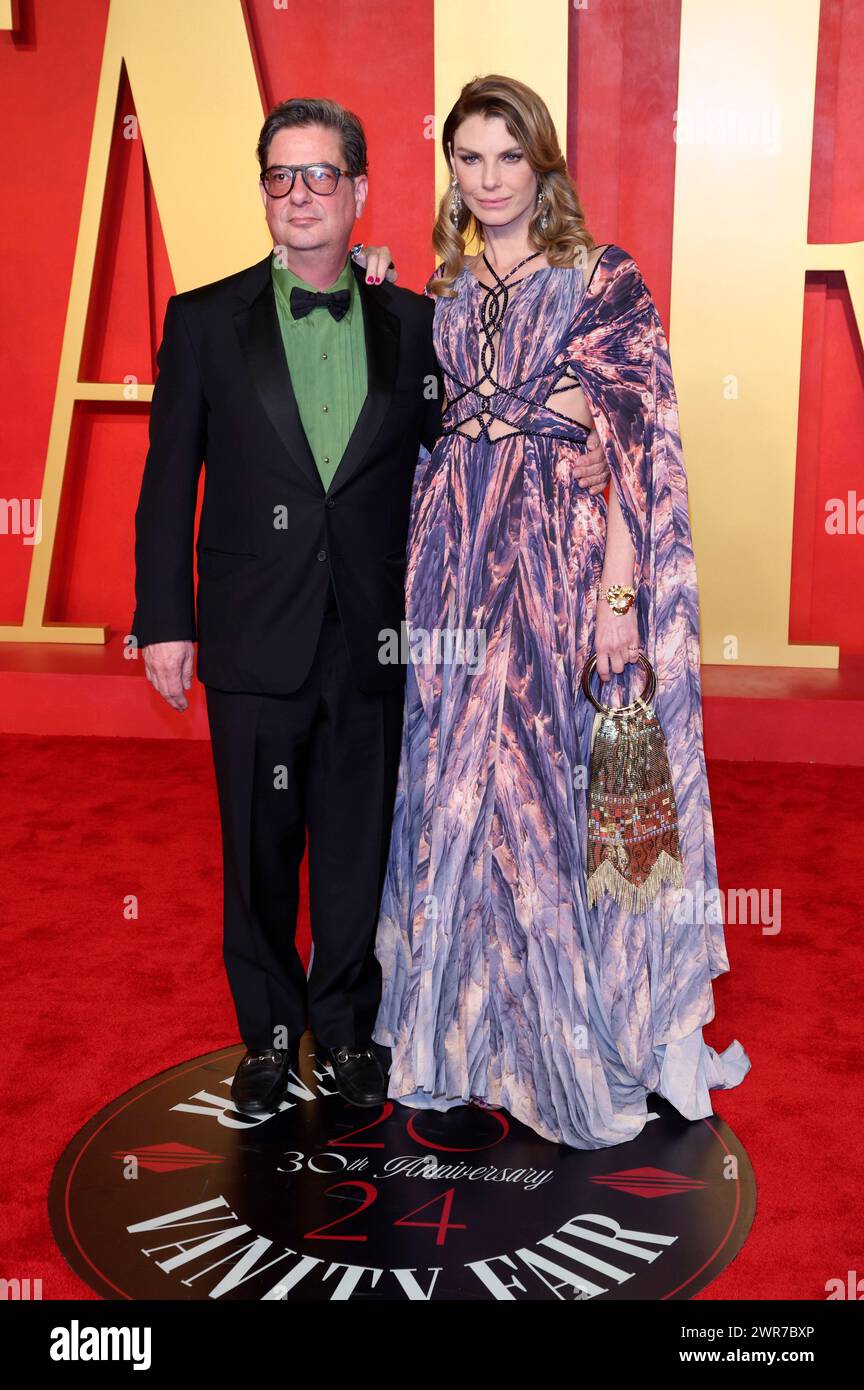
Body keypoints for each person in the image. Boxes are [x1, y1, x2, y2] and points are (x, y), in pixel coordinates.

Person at [130, 94, 615, 1118]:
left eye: (319, 176)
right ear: (263, 190)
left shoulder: (416, 321)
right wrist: (163, 615)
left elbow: (488, 446)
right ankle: (266, 1036)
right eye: (279, 175)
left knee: (358, 846)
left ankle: (346, 1030)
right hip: (253, 634)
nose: (298, 195)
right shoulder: (203, 318)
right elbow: (167, 478)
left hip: (379, 634)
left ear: (359, 191)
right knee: (258, 849)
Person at [367, 75, 752, 1149]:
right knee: (452, 787)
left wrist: (621, 599)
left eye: (507, 156)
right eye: (469, 159)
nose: (488, 179)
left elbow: (640, 452)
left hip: (557, 568)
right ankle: (462, 1035)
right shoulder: (441, 287)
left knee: (548, 787)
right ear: (450, 169)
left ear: (543, 164)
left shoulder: (601, 277)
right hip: (450, 566)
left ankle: (569, 1042)